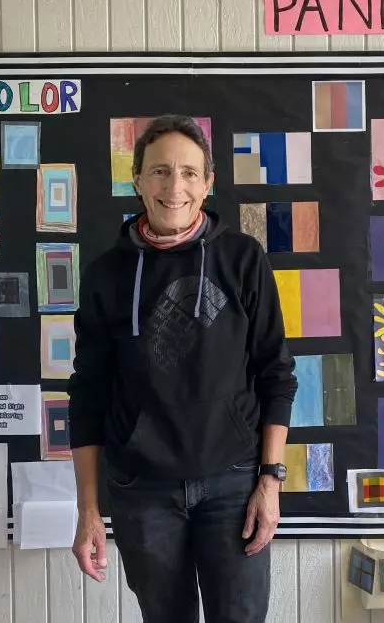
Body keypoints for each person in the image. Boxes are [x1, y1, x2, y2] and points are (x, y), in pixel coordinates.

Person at [67, 114, 297, 623]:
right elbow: (87, 395)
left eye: (190, 173)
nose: (176, 187)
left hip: (234, 482)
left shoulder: (242, 259)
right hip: (142, 491)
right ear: (138, 180)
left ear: (208, 183)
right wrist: (87, 511)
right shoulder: (106, 275)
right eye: (161, 171)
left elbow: (275, 372)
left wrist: (269, 482)